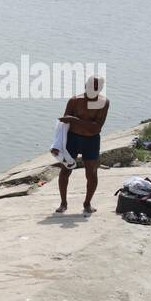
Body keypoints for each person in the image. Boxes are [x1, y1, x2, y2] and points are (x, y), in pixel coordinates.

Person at [56, 76, 109, 214]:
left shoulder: (103, 102)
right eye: (91, 86)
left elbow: (96, 128)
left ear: (101, 89)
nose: (93, 90)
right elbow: (63, 124)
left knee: (91, 172)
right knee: (65, 170)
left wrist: (75, 120)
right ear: (85, 85)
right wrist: (57, 145)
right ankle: (63, 203)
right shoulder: (74, 101)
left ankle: (87, 203)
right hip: (72, 139)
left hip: (91, 140)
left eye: (96, 88)